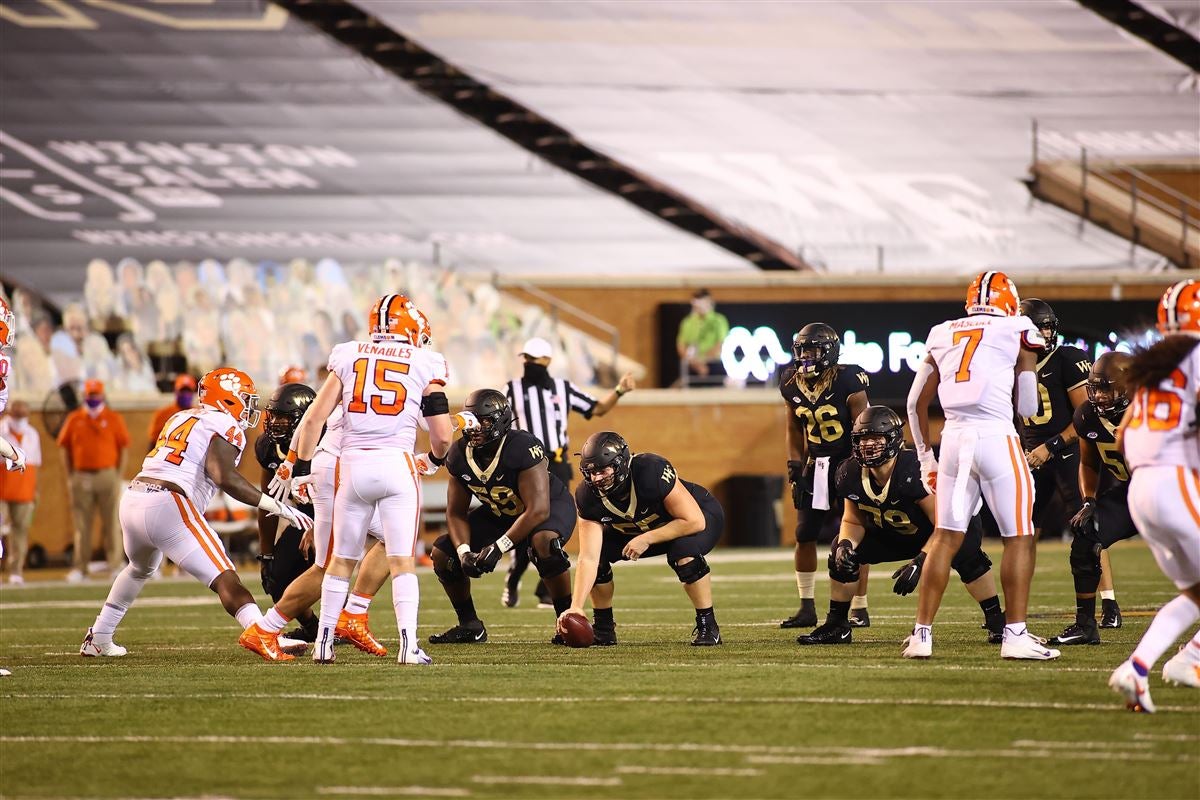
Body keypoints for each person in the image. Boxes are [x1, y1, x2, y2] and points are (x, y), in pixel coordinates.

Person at [79, 367, 313, 661]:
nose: (250, 406)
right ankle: (262, 633)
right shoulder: (225, 424)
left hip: (134, 498)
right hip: (168, 502)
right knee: (226, 578)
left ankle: (99, 636)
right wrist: (278, 506)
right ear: (227, 399)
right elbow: (224, 476)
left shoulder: (181, 416)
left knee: (139, 568)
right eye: (244, 398)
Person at [284, 294, 454, 665]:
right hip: (397, 465)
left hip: (353, 467)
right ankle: (408, 647)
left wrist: (301, 469)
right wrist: (436, 459)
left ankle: (323, 645)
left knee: (341, 561)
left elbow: (313, 419)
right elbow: (442, 434)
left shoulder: (349, 354)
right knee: (402, 561)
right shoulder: (425, 361)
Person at [905, 270, 1059, 660]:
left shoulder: (942, 332)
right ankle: (1015, 635)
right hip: (995, 436)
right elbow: (1027, 405)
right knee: (1019, 536)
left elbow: (913, 403)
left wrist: (925, 457)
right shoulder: (1018, 328)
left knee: (945, 537)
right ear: (1009, 303)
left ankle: (921, 636)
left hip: (954, 441)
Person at [797, 407, 1005, 645]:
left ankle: (997, 621)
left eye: (876, 438)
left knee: (966, 555)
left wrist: (921, 561)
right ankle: (837, 625)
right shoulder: (849, 472)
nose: (868, 445)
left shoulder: (914, 470)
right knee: (841, 553)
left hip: (946, 528)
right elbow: (852, 520)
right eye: (862, 439)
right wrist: (846, 543)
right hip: (895, 532)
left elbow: (944, 525)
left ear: (894, 440)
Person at [1108, 279, 1200, 713]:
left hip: (1141, 487)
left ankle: (1140, 667)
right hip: (1175, 480)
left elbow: (1124, 433)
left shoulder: (1152, 365)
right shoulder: (1195, 354)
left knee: (1195, 594)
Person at [427, 389, 576, 644]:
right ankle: (470, 625)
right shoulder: (459, 453)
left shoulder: (521, 446)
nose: (475, 427)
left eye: (483, 420)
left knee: (544, 543)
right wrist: (464, 552)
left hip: (548, 507)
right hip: (501, 513)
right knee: (444, 553)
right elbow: (455, 512)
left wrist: (499, 548)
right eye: (471, 420)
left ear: (500, 421)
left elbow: (538, 509)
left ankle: (567, 620)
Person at [256, 388, 393, 655]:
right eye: (274, 417)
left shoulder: (326, 431)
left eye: (284, 418)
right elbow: (268, 501)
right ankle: (314, 626)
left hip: (329, 502)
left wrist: (320, 520)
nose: (276, 424)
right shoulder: (269, 446)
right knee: (287, 574)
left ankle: (342, 619)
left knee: (334, 563)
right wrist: (266, 553)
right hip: (312, 510)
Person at [502, 336, 635, 608]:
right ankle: (514, 576)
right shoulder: (511, 389)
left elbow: (596, 408)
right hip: (525, 466)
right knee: (528, 523)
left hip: (557, 463)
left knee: (555, 525)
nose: (529, 364)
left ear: (548, 361)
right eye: (526, 359)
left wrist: (619, 390)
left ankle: (545, 588)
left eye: (534, 359)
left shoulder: (563, 388)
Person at [560, 431, 725, 646]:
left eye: (603, 470)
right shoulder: (587, 496)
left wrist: (647, 538)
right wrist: (576, 606)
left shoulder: (651, 471)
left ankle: (708, 625)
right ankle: (603, 629)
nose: (597, 478)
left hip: (697, 516)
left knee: (683, 552)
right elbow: (588, 558)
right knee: (598, 556)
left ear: (621, 464)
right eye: (591, 472)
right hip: (640, 530)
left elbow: (694, 521)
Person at [779, 323, 871, 629]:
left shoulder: (848, 379)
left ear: (829, 352)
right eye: (802, 350)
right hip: (816, 464)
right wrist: (795, 465)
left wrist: (862, 468)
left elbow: (863, 427)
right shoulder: (791, 381)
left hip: (849, 462)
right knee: (804, 534)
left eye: (812, 350)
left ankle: (859, 606)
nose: (805, 356)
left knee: (855, 533)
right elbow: (793, 427)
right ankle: (806, 606)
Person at [1049, 353, 1137, 646]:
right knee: (1086, 536)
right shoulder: (1087, 414)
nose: (1098, 395)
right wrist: (1088, 500)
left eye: (1106, 388)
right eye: (1095, 388)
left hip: (1170, 490)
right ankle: (1085, 625)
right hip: (1132, 492)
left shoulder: (1149, 411)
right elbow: (1088, 464)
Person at [57, 379, 131, 582]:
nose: (93, 398)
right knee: (82, 525)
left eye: (96, 394)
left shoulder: (113, 418)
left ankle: (115, 565)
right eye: (90, 395)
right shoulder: (74, 419)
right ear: (85, 396)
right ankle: (81, 568)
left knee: (112, 523)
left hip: (107, 474)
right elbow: (64, 448)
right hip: (81, 476)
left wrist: (117, 475)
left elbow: (124, 447)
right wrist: (70, 476)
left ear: (102, 395)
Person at [0, 401, 41, 584]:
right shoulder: (1, 430)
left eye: (23, 415)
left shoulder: (33, 434)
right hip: (2, 487)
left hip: (24, 489)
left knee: (20, 531)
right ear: (9, 413)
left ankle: (16, 570)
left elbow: (35, 464)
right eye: (17, 415)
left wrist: (35, 490)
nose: (20, 419)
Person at [676, 289, 729, 385]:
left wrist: (703, 360)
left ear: (709, 302)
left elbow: (720, 344)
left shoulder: (718, 320)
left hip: (713, 364)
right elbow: (681, 345)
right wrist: (695, 364)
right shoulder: (688, 322)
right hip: (692, 366)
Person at [147, 375, 197, 452]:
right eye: (182, 391)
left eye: (188, 391)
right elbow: (153, 441)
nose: (185, 394)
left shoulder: (198, 414)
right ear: (176, 391)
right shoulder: (163, 413)